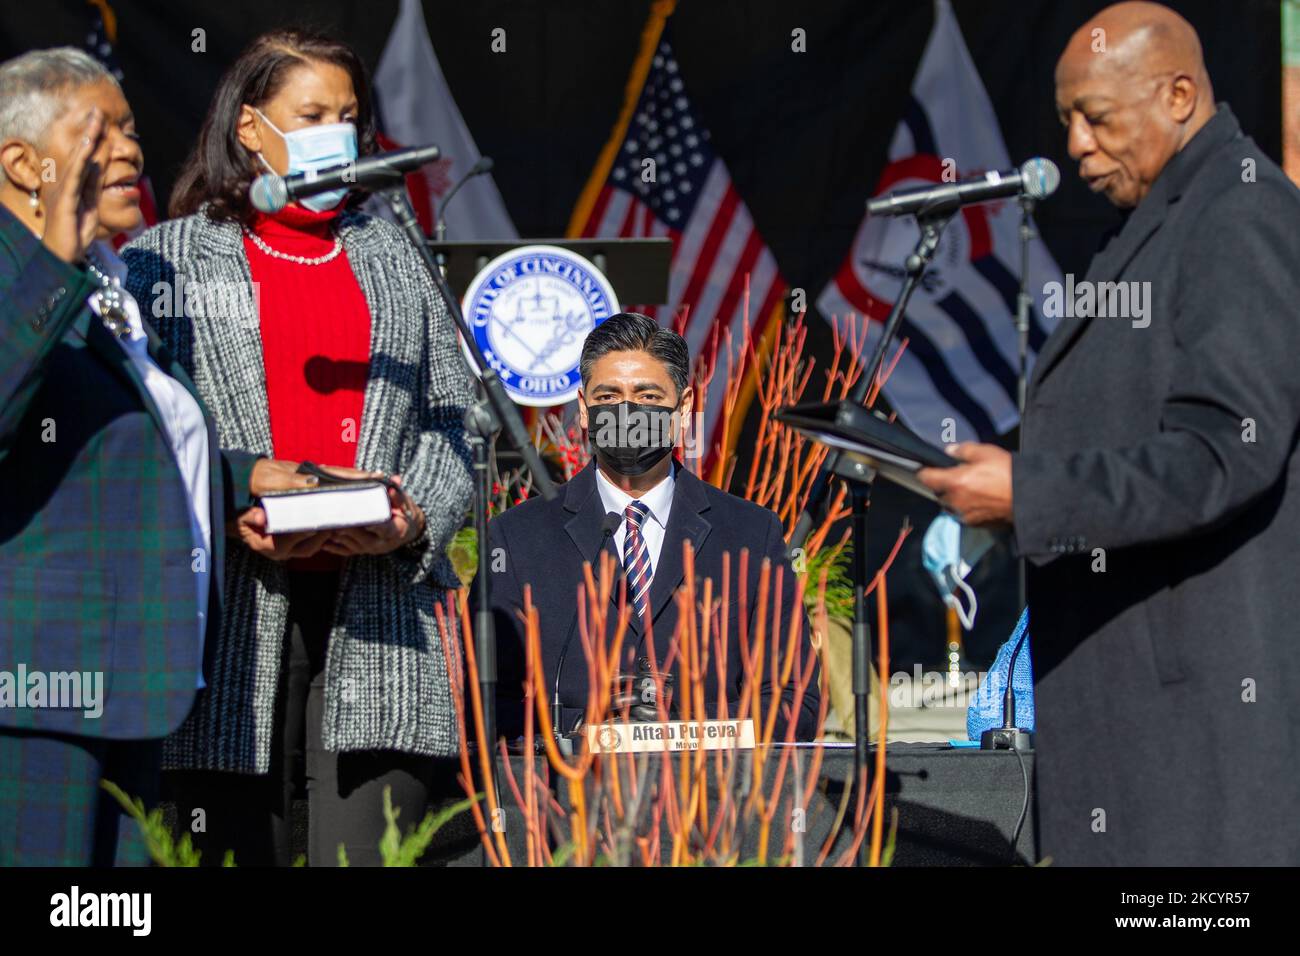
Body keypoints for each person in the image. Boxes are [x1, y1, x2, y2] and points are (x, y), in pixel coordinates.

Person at [919, 1, 1300, 865]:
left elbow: (1220, 455)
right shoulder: (1157, 227)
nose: (1076, 147)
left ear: (1176, 94)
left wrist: (1033, 492)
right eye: (1066, 122)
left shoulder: (1241, 218)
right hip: (1135, 729)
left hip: (1199, 745)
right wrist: (1011, 505)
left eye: (1096, 117)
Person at [121, 29, 475, 866]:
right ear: (250, 127)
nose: (337, 135)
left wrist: (412, 515)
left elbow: (458, 417)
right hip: (230, 617)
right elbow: (139, 426)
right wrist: (237, 489)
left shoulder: (394, 249)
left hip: (381, 611)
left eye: (348, 118)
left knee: (368, 852)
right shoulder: (165, 259)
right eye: (310, 113)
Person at [0, 47, 313, 866]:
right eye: (101, 133)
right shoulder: (24, 275)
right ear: (21, 163)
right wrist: (47, 265)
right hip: (31, 695)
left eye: (135, 132)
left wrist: (247, 479)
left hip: (131, 683)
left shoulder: (110, 281)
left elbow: (120, 443)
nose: (133, 152)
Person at [482, 312, 821, 742]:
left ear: (682, 408)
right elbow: (483, 702)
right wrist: (593, 732)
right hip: (567, 798)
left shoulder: (753, 534)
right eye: (608, 396)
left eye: (646, 395)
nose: (627, 412)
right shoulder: (516, 538)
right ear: (584, 410)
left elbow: (795, 699)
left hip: (711, 796)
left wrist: (677, 726)